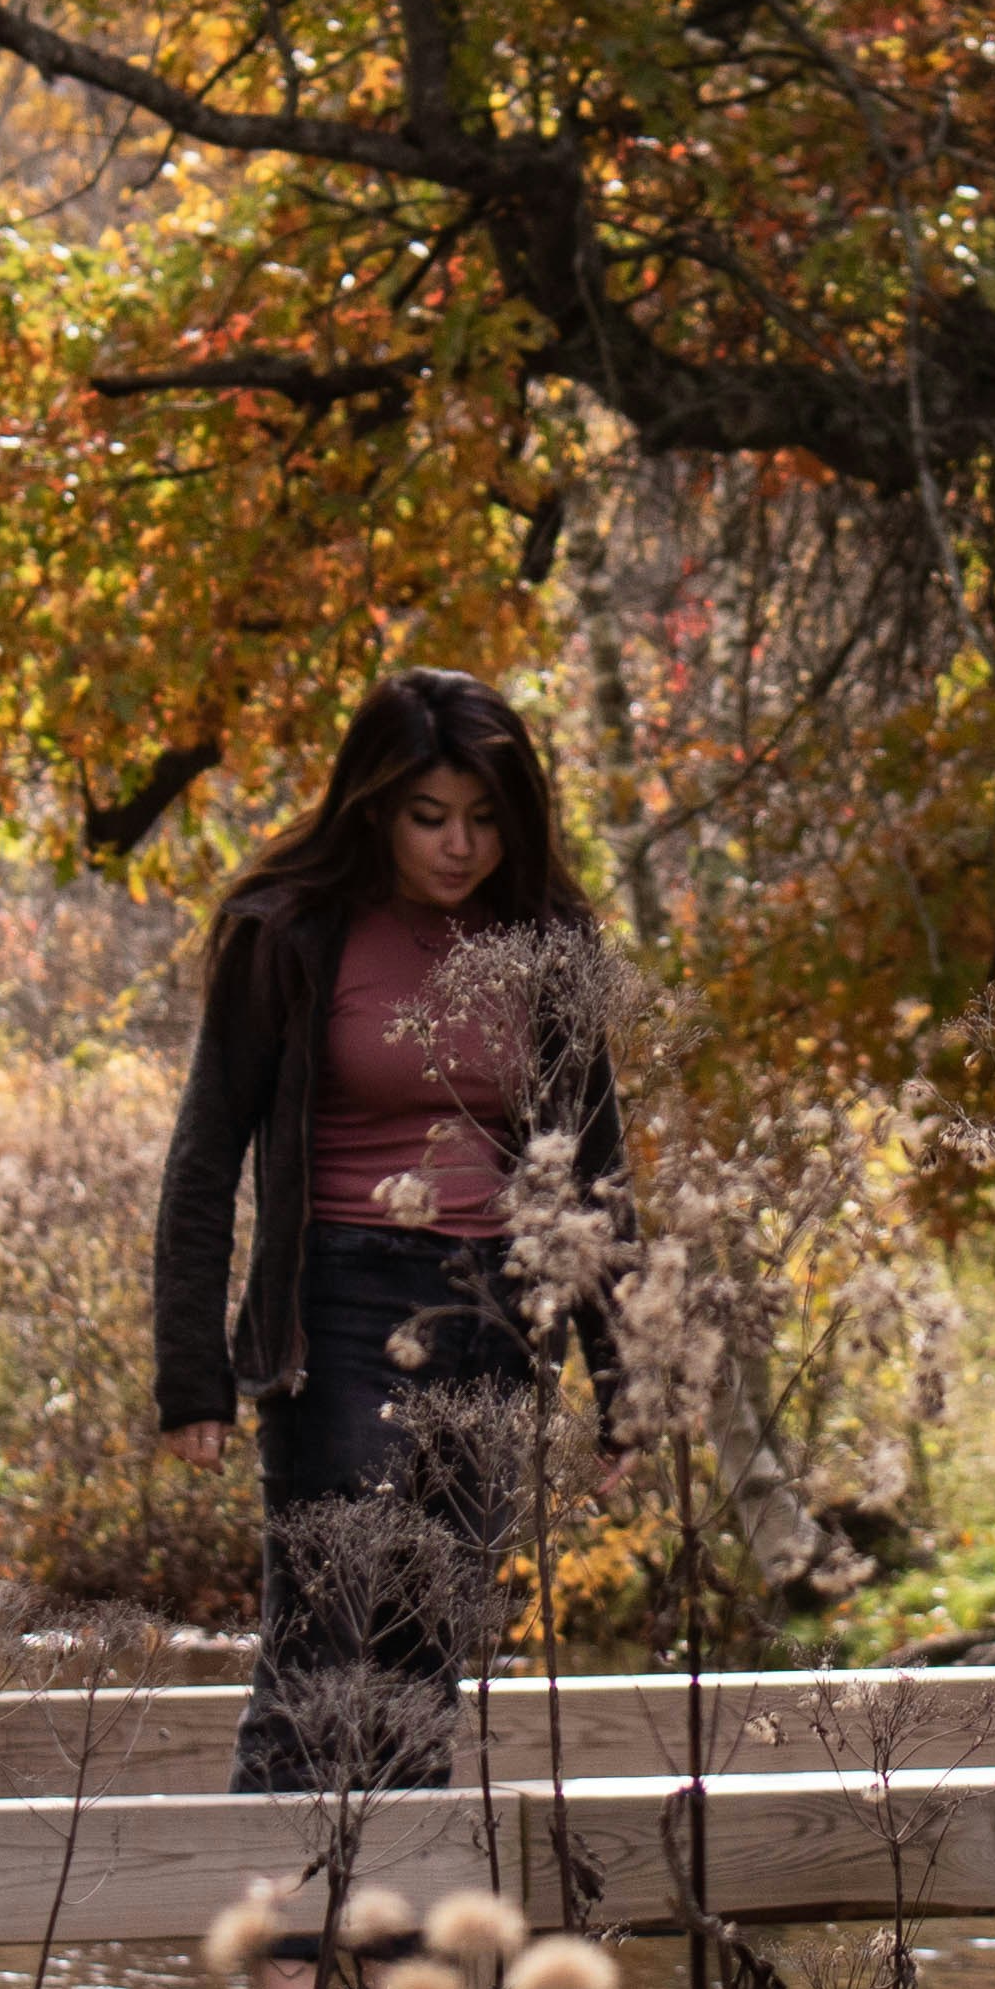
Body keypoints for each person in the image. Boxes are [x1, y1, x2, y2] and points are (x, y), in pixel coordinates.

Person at [151, 670, 624, 1816]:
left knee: (425, 1662)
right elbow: (207, 1155)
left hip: (499, 1315)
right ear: (373, 807)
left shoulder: (551, 942)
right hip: (339, 1305)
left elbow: (596, 1168)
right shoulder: (292, 934)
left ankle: (397, 1980)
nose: (460, 847)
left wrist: (628, 1381)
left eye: (484, 819)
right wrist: (192, 1376)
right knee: (322, 1647)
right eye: (430, 818)